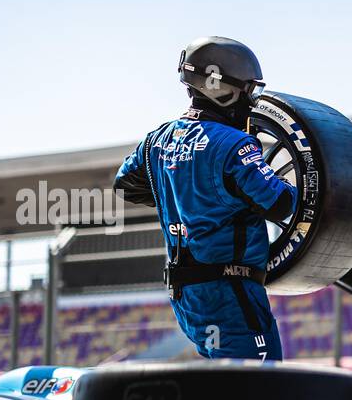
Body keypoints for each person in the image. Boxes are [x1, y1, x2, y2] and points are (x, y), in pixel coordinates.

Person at [115, 36, 296, 360]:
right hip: (231, 293)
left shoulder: (158, 139)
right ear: (220, 86)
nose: (252, 100)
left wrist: (186, 197)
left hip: (186, 295)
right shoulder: (234, 144)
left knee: (222, 394)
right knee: (265, 396)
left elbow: (126, 184)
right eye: (249, 90)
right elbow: (280, 202)